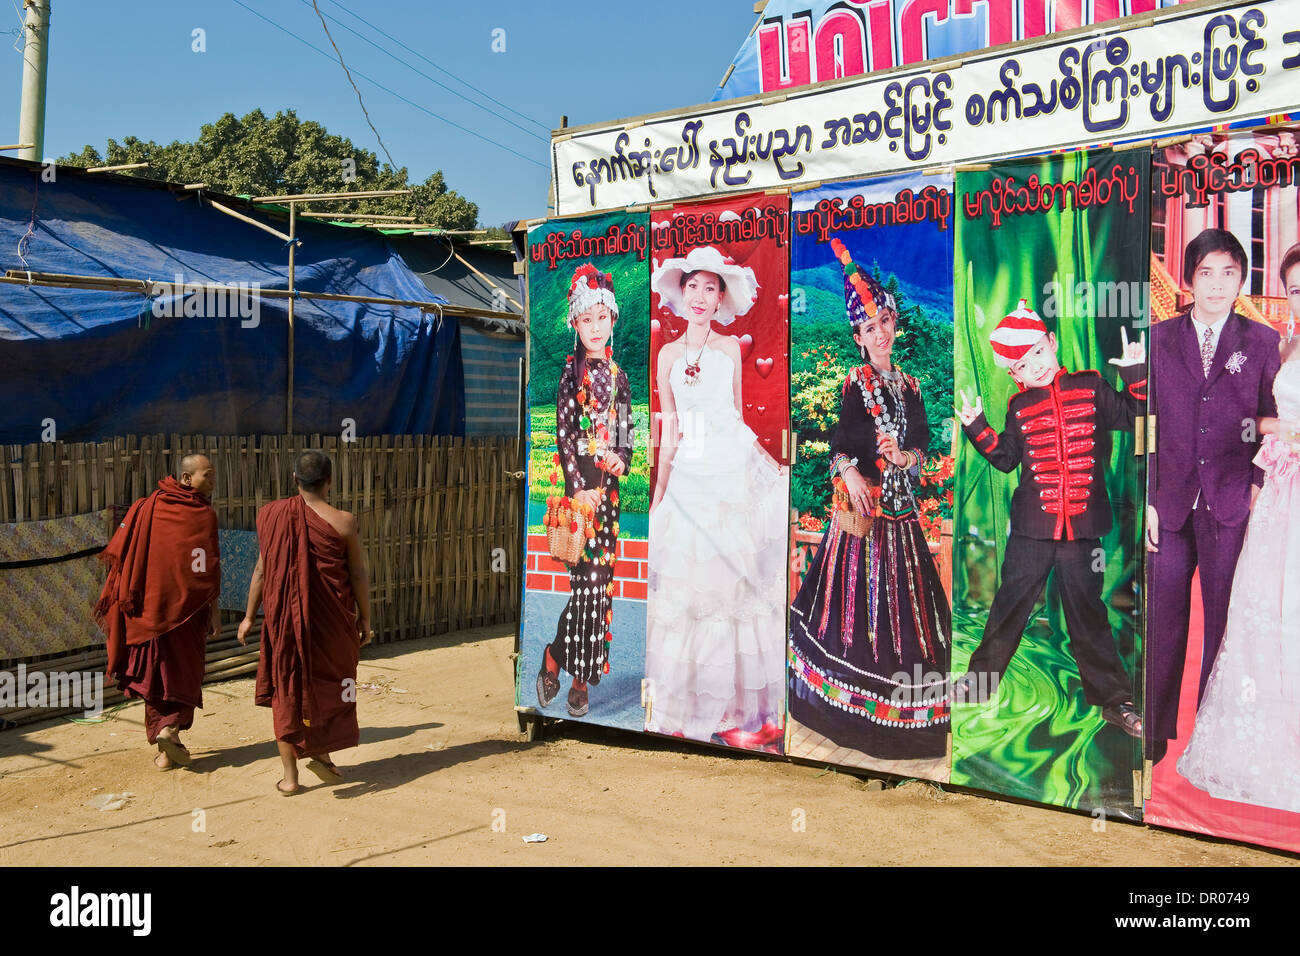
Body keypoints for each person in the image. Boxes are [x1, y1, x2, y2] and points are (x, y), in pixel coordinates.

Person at [788, 239, 951, 761]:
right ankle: (844, 711)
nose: (878, 332)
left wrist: (906, 458)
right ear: (858, 337)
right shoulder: (855, 384)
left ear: (893, 325)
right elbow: (840, 443)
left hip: (903, 518)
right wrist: (851, 474)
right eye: (868, 327)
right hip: (863, 520)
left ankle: (912, 719)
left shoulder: (913, 387)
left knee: (910, 616)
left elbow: (923, 447)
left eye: (884, 322)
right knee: (853, 614)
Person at [955, 299, 1145, 737]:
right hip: (1032, 530)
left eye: (1039, 351)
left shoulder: (1091, 385)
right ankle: (979, 681)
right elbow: (1005, 459)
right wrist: (976, 425)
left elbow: (1138, 418)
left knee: (1088, 614)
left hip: (1083, 531)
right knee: (1009, 605)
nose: (1035, 366)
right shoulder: (1020, 409)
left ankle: (1116, 701)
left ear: (1052, 342)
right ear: (1013, 375)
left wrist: (1135, 374)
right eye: (1022, 364)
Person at [1145, 228, 1282, 765]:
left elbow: (1272, 422)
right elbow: (1145, 423)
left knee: (1224, 623)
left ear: (1241, 279)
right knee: (1163, 621)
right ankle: (1152, 736)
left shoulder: (1262, 341)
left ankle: (1210, 738)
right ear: (1189, 278)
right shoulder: (1158, 338)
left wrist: (1255, 489)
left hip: (1231, 504)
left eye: (1229, 273)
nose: (1218, 285)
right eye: (1207, 273)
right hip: (1170, 504)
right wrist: (1150, 498)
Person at [644, 245, 787, 749]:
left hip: (729, 471)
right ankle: (686, 710)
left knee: (735, 589)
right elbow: (672, 427)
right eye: (692, 287)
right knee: (689, 595)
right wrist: (660, 491)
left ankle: (741, 715)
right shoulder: (665, 355)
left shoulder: (729, 350)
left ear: (721, 297)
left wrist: (753, 474)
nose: (700, 297)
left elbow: (735, 417)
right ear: (679, 295)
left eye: (710, 288)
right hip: (689, 472)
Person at [1175, 244, 1300, 810]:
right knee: (1262, 611)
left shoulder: (1269, 340)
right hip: (1279, 494)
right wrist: (1274, 436)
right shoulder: (1284, 343)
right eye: (1294, 288)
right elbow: (1270, 417)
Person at [238, 450, 371, 795]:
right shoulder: (344, 521)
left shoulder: (270, 515)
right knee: (326, 685)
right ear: (329, 481)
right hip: (331, 625)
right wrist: (366, 617)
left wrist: (250, 616)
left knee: (287, 692)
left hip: (284, 625)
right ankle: (322, 752)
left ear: (295, 479)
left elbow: (261, 570)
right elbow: (356, 573)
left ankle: (291, 778)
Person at [536, 263, 634, 718]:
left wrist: (622, 459)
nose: (595, 327)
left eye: (603, 318)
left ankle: (577, 675)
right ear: (575, 324)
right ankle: (559, 658)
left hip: (608, 502)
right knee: (585, 586)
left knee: (601, 591)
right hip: (581, 503)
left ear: (613, 320)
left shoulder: (620, 377)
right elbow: (564, 438)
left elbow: (626, 433)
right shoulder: (567, 376)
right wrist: (578, 490)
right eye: (586, 319)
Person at [95, 454, 221, 770]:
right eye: (207, 475)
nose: (213, 481)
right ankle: (172, 729)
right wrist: (213, 609)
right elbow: (204, 569)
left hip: (150, 613)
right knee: (183, 673)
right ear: (186, 478)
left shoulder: (148, 506)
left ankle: (165, 749)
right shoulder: (200, 515)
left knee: (156, 674)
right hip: (186, 612)